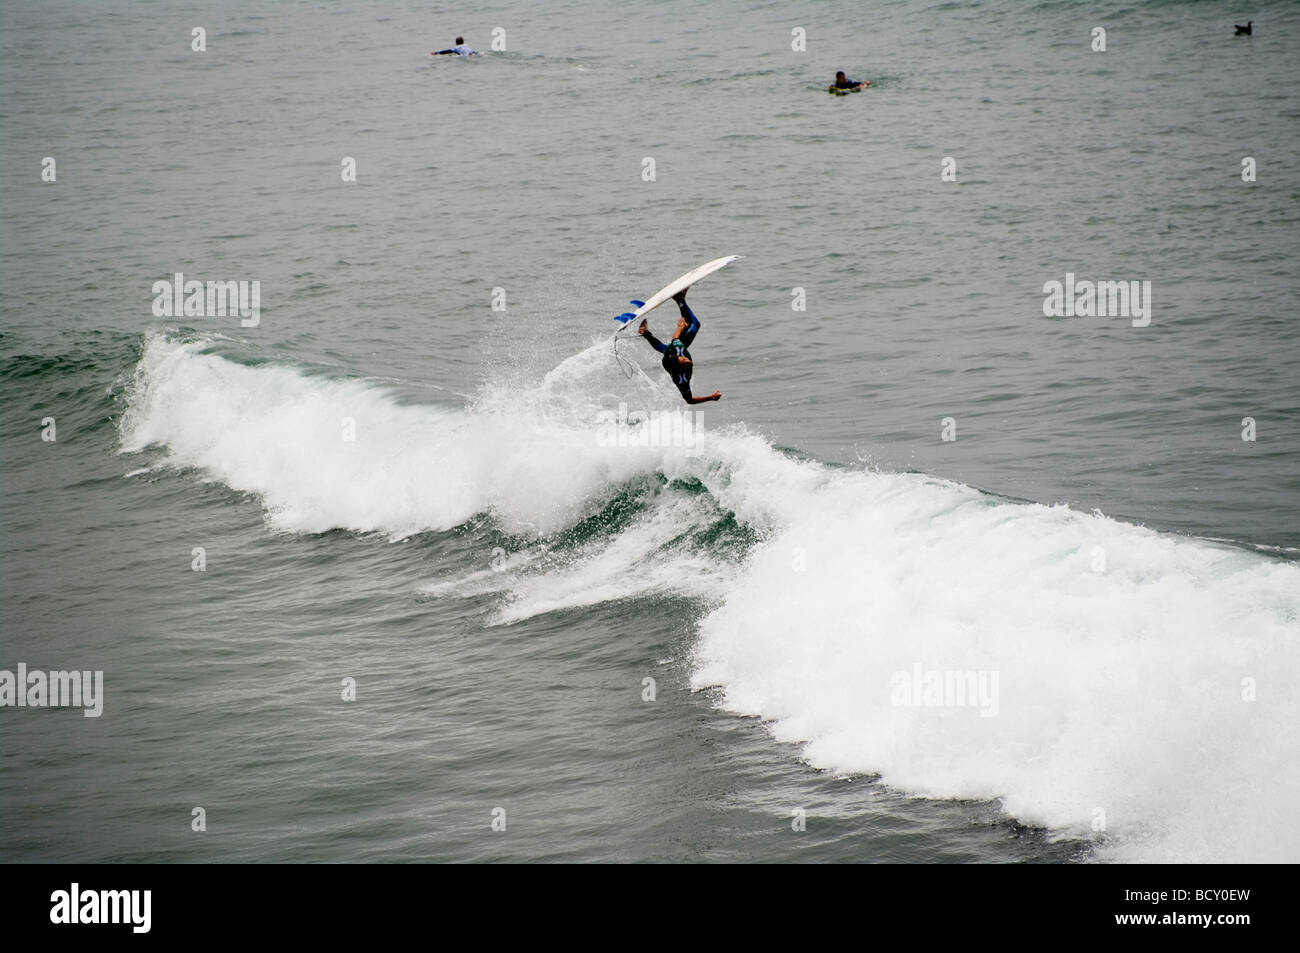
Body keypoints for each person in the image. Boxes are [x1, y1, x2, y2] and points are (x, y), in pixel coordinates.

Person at [638, 288, 722, 404]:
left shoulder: (678, 355)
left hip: (670, 358)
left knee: (695, 324)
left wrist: (680, 327)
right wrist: (711, 397)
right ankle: (679, 300)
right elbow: (689, 400)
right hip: (670, 360)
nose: (687, 360)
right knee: (666, 347)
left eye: (683, 360)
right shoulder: (681, 375)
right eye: (684, 361)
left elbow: (675, 339)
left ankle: (679, 300)